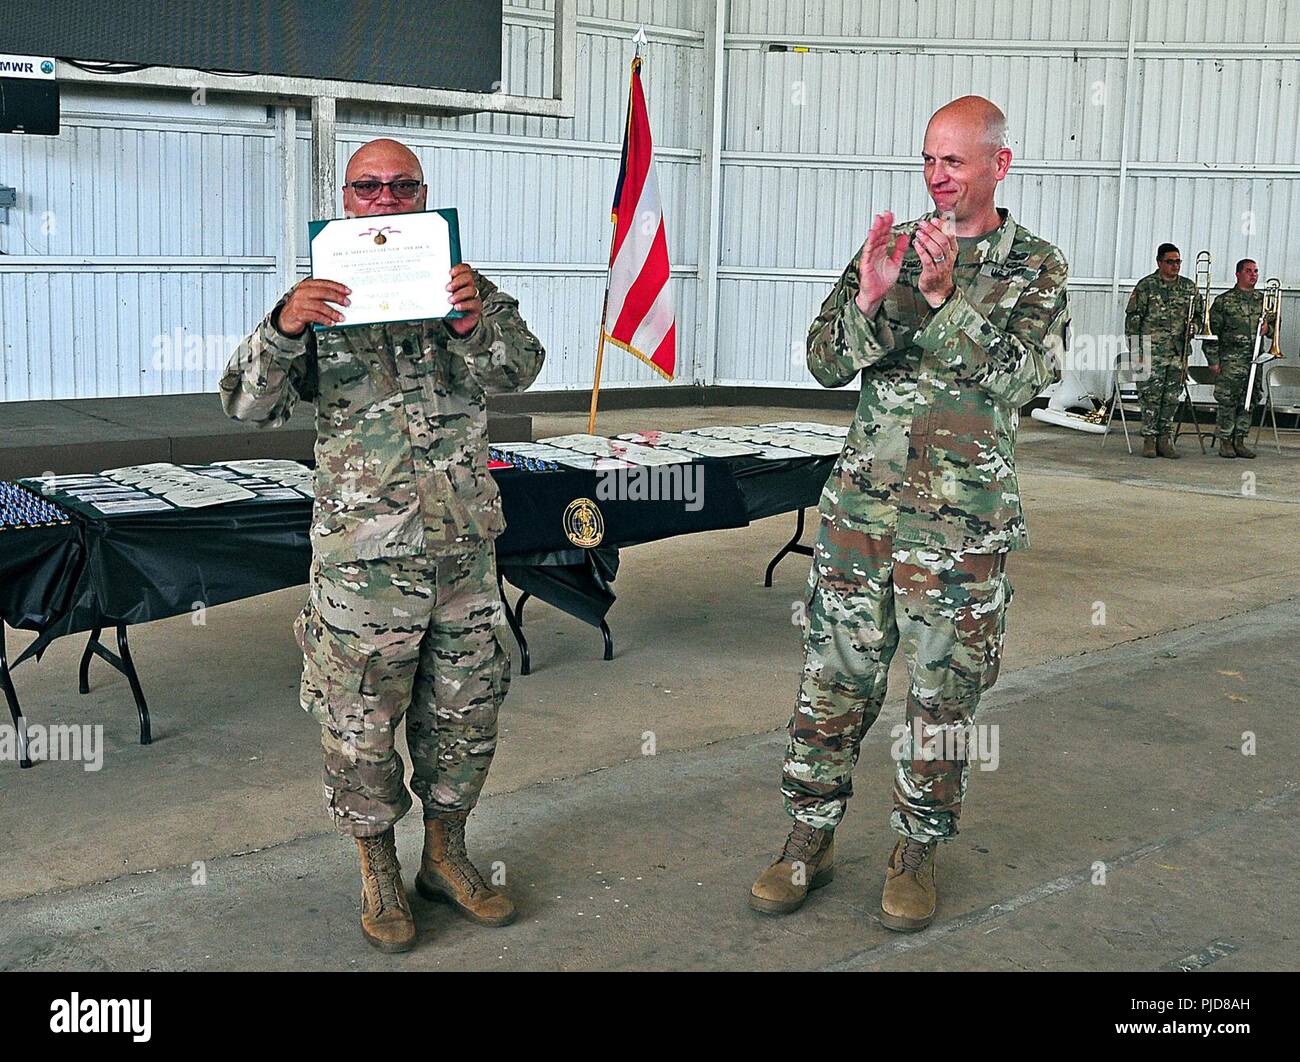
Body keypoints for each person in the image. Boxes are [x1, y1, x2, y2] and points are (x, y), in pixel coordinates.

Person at [749, 96, 1068, 932]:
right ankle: (804, 839)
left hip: (961, 532)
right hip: (862, 519)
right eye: (929, 159)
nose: (937, 177)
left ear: (1000, 164)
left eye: (955, 162)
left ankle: (915, 849)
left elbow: (1027, 381)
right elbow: (822, 362)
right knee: (832, 683)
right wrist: (870, 300)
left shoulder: (1035, 265)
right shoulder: (885, 249)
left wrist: (944, 297)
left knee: (944, 698)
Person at [219, 138, 545, 953]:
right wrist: (287, 324)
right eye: (370, 188)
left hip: (463, 553)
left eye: (403, 187)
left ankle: (446, 854)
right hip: (364, 564)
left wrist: (473, 321)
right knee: (360, 724)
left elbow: (522, 367)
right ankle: (378, 869)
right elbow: (245, 405)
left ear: (424, 195)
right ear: (347, 197)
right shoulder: (316, 303)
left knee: (466, 714)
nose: (387, 200)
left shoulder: (461, 286)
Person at [1125, 244, 1203, 458]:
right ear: (1159, 262)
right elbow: (1133, 320)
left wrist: (1193, 328)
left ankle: (1164, 439)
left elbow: (1199, 317)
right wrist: (1135, 351)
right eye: (1170, 261)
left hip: (1178, 352)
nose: (1175, 266)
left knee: (1171, 397)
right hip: (1150, 351)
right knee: (1150, 396)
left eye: (1178, 261)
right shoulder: (1146, 286)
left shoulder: (1189, 288)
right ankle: (1149, 438)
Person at [1204, 259, 1271, 458]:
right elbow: (1211, 334)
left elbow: (1274, 327)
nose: (1254, 275)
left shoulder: (1263, 301)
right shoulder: (1224, 301)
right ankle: (1225, 440)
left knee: (1249, 399)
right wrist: (1213, 361)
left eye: (1256, 271)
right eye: (1249, 271)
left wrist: (1270, 329)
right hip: (1231, 361)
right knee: (1228, 400)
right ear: (1238, 274)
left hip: (1254, 360)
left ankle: (1240, 439)